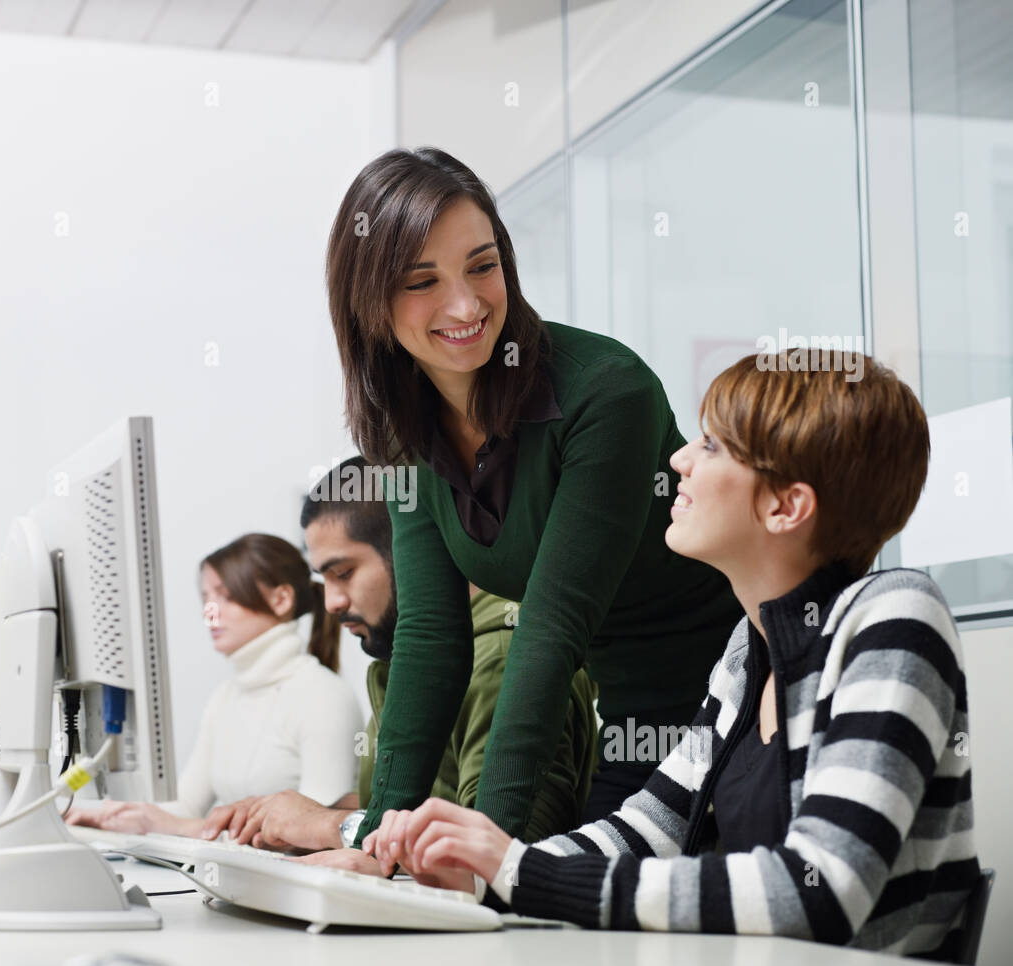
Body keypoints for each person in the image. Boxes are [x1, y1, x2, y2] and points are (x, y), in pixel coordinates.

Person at [362, 350, 980, 959]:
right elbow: (650, 830)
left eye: (712, 447)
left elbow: (819, 889)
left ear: (785, 506)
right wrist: (477, 871)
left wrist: (522, 874)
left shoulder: (893, 616)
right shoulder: (747, 649)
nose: (680, 459)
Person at [326, 147, 741, 839]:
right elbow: (431, 638)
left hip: (731, 707)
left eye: (482, 266)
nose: (466, 304)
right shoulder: (405, 434)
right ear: (368, 300)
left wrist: (488, 849)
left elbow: (550, 632)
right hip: (630, 717)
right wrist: (377, 837)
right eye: (422, 280)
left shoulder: (606, 391)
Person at [219, 457, 600, 853]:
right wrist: (284, 819)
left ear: (412, 548)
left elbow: (506, 854)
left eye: (344, 573)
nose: (330, 603)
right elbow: (405, 809)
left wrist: (335, 828)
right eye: (323, 579)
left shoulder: (501, 659)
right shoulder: (397, 664)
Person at [65, 532, 360, 839]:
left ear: (281, 599)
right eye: (206, 598)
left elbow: (319, 836)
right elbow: (186, 806)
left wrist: (181, 829)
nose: (210, 613)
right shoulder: (225, 697)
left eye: (226, 595)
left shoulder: (325, 696)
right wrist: (108, 814)